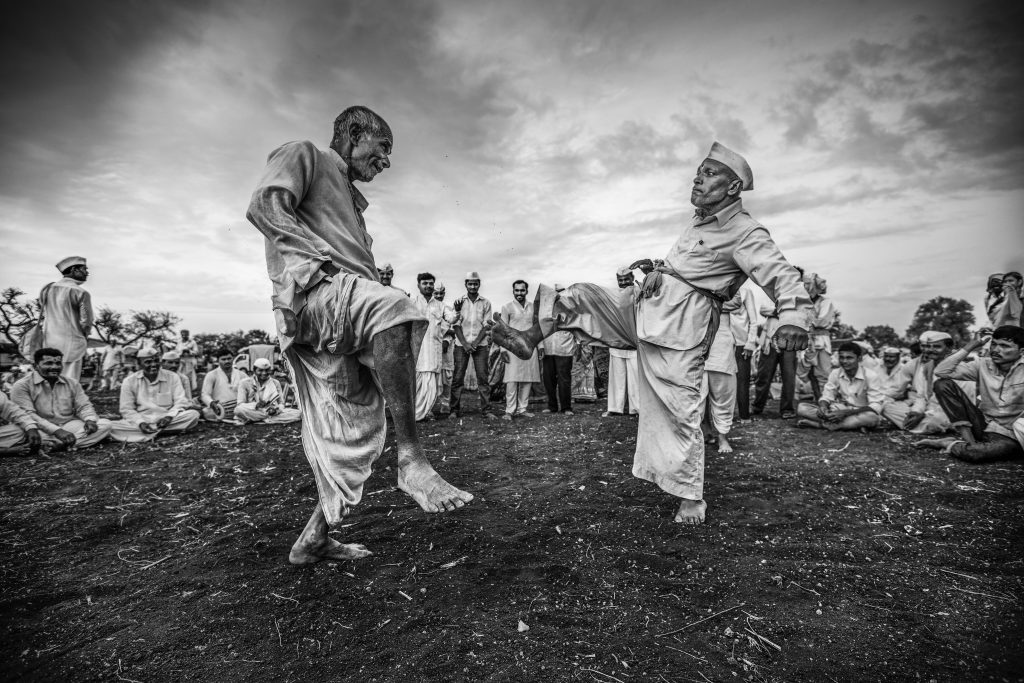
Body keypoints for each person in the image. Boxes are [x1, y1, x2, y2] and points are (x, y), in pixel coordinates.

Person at [488, 142, 810, 524]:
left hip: (680, 329)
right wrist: (658, 266)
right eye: (699, 170)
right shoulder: (697, 223)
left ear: (733, 188)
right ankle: (529, 338)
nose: (698, 177)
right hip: (644, 307)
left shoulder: (745, 231)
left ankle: (691, 498)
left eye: (709, 173)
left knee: (679, 410)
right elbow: (690, 269)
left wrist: (792, 317)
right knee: (581, 296)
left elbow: (781, 273)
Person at [246, 105, 472, 563]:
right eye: (383, 147)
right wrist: (313, 267)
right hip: (319, 295)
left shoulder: (351, 200)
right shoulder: (305, 153)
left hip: (345, 307)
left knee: (360, 430)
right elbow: (265, 204)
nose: (386, 161)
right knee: (399, 309)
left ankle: (313, 539)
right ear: (353, 133)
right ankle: (412, 459)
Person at [918, 326, 1024, 461]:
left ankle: (950, 444)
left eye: (1004, 346)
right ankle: (970, 442)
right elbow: (941, 371)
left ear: (1021, 351)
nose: (996, 350)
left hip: (1011, 432)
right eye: (994, 344)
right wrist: (972, 345)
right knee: (942, 384)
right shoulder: (982, 364)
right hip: (983, 424)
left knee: (977, 454)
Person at [10, 347, 111, 451]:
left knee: (105, 424)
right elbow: (28, 415)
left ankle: (58, 444)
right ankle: (73, 442)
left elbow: (84, 406)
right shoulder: (22, 385)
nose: (55, 367)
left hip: (68, 425)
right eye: (48, 363)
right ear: (36, 366)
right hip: (38, 428)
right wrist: (57, 431)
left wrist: (90, 420)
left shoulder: (72, 383)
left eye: (58, 363)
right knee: (23, 432)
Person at [109, 348, 200, 443]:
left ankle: (143, 434)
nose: (153, 365)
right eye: (148, 362)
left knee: (193, 415)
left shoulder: (173, 376)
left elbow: (181, 401)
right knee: (110, 426)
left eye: (156, 361)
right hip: (141, 418)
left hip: (166, 419)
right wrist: (140, 423)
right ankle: (160, 432)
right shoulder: (129, 381)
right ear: (139, 363)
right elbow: (126, 409)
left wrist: (169, 416)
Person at [884, 331, 965, 434]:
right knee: (887, 408)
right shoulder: (926, 367)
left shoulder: (962, 369)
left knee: (936, 421)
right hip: (926, 411)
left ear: (949, 348)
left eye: (936, 347)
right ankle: (919, 425)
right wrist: (916, 412)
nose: (929, 350)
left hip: (947, 413)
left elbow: (958, 405)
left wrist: (925, 414)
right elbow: (921, 397)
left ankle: (915, 426)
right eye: (927, 346)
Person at [795, 341, 883, 431]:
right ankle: (852, 425)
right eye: (842, 357)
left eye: (849, 358)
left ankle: (823, 425)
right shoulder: (836, 373)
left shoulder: (870, 376)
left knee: (872, 418)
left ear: (859, 359)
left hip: (860, 412)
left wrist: (846, 413)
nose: (844, 361)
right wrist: (823, 406)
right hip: (839, 409)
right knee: (802, 408)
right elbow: (827, 395)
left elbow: (876, 406)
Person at [40, 256, 94, 382]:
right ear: (74, 270)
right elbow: (86, 322)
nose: (87, 272)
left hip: (49, 343)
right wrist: (84, 336)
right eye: (84, 269)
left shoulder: (46, 289)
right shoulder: (81, 292)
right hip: (73, 345)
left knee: (49, 381)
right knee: (69, 382)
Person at [411, 272, 456, 421]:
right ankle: (416, 412)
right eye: (425, 283)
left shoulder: (440, 305)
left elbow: (451, 318)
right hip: (417, 350)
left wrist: (458, 311)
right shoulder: (411, 303)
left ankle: (427, 412)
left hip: (433, 349)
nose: (428, 286)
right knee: (417, 382)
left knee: (431, 384)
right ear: (419, 285)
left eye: (431, 283)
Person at [450, 271, 495, 419]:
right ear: (466, 285)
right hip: (460, 344)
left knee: (483, 378)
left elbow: (486, 325)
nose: (473, 286)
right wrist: (465, 344)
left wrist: (474, 343)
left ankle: (486, 410)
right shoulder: (458, 302)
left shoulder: (486, 302)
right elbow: (455, 324)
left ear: (479, 285)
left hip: (480, 345)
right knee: (457, 378)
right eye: (470, 283)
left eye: (475, 283)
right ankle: (454, 410)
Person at [700, 294, 740, 452]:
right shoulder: (691, 273)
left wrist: (704, 300)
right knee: (698, 393)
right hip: (697, 338)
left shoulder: (726, 274)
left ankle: (722, 437)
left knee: (723, 392)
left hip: (721, 341)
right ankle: (704, 432)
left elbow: (736, 301)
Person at [499, 280, 541, 420]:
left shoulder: (533, 307)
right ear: (513, 291)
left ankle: (522, 409)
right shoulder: (507, 307)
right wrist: (502, 349)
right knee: (512, 379)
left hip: (530, 346)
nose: (519, 293)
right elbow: (502, 329)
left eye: (522, 290)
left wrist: (540, 346)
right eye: (517, 290)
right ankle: (509, 411)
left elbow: (537, 328)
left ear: (526, 291)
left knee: (527, 378)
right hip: (512, 347)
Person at [751, 303, 798, 418]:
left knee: (789, 377)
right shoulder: (774, 297)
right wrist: (783, 311)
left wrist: (779, 312)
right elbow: (763, 309)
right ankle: (758, 406)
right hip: (769, 341)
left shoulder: (798, 300)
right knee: (763, 375)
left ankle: (787, 409)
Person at [604, 269, 639, 418]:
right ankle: (614, 408)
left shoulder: (639, 292)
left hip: (634, 343)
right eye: (621, 280)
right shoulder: (613, 296)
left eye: (626, 279)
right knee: (616, 377)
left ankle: (637, 409)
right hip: (617, 342)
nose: (623, 282)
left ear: (632, 278)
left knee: (635, 379)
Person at [541, 284, 577, 416]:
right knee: (549, 379)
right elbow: (540, 329)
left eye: (561, 293)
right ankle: (552, 406)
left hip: (565, 348)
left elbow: (577, 328)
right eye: (556, 293)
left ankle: (566, 407)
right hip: (548, 348)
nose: (558, 296)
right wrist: (540, 346)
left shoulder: (571, 310)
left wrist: (577, 345)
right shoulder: (545, 311)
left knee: (564, 379)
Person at [801, 272, 837, 400]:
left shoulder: (825, 302)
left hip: (821, 340)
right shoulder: (800, 301)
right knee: (805, 372)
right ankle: (816, 397)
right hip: (805, 340)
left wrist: (804, 321)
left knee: (823, 372)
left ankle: (826, 400)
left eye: (806, 284)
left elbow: (822, 321)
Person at [235, 358, 301, 425]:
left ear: (270, 370)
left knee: (298, 413)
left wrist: (277, 410)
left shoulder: (275, 383)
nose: (264, 373)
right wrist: (255, 405)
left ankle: (256, 418)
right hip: (253, 410)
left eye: (267, 370)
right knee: (238, 410)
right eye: (260, 370)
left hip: (271, 412)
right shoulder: (244, 382)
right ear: (254, 370)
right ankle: (267, 418)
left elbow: (281, 403)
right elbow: (240, 404)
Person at [728, 284, 759, 421]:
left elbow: (753, 320)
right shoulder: (718, 289)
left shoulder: (745, 291)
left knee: (742, 381)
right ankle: (724, 417)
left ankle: (744, 415)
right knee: (723, 381)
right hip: (723, 342)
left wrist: (750, 343)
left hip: (742, 343)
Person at [432, 282, 457, 415]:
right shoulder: (428, 309)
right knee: (431, 377)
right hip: (433, 347)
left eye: (441, 293)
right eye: (436, 293)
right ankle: (429, 406)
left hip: (447, 347)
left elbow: (452, 327)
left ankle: (445, 404)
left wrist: (448, 337)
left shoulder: (448, 309)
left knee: (447, 376)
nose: (439, 296)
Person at [201, 348, 244, 421]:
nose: (227, 361)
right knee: (206, 412)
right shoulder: (211, 375)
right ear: (218, 361)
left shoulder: (242, 374)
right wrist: (211, 403)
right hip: (219, 408)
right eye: (223, 359)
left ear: (233, 359)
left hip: (239, 407)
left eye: (229, 358)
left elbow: (251, 390)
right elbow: (205, 394)